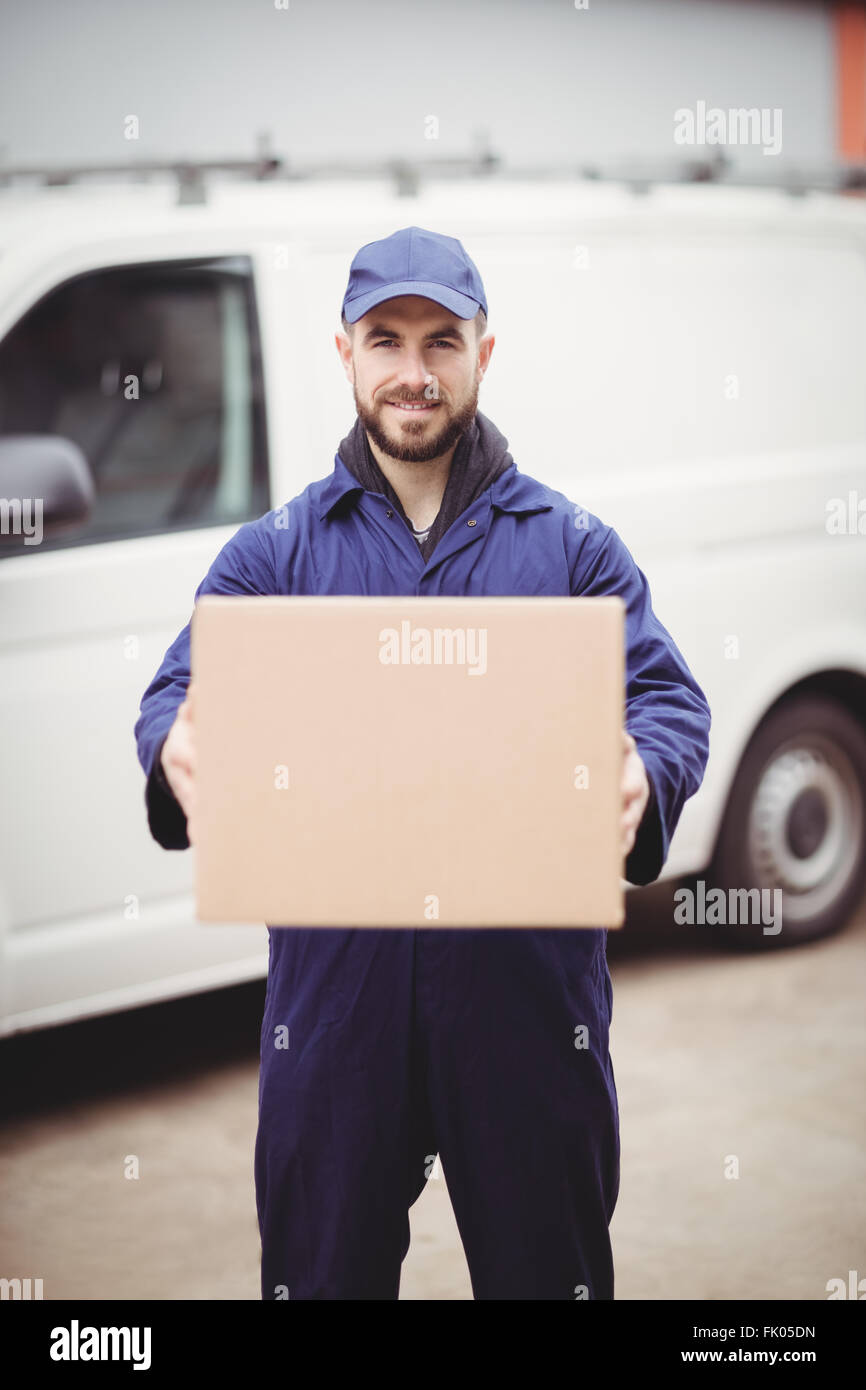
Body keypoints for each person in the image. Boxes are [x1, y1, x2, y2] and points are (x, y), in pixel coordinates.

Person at [134, 225, 711, 1300]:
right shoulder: (276, 555)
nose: (412, 371)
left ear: (482, 356)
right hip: (336, 1001)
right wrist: (173, 740)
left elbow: (666, 699)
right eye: (384, 339)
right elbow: (181, 691)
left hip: (528, 999)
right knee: (321, 1277)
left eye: (439, 340)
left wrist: (644, 767)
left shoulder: (570, 546)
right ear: (343, 353)